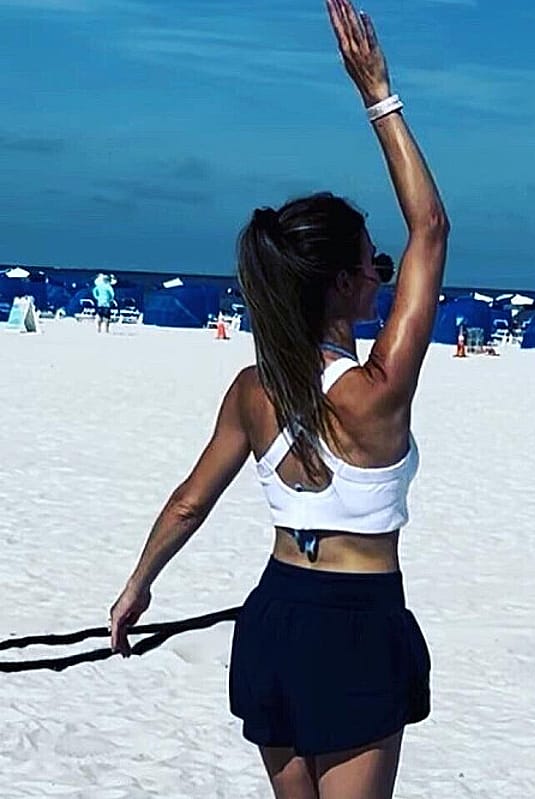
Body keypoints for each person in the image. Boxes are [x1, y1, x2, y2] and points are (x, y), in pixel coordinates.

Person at [107, 2, 448, 796]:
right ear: (342, 282)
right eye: (375, 264)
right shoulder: (375, 394)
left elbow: (192, 501)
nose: (384, 272)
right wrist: (379, 95)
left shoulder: (253, 390)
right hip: (357, 620)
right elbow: (430, 225)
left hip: (275, 614)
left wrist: (137, 586)